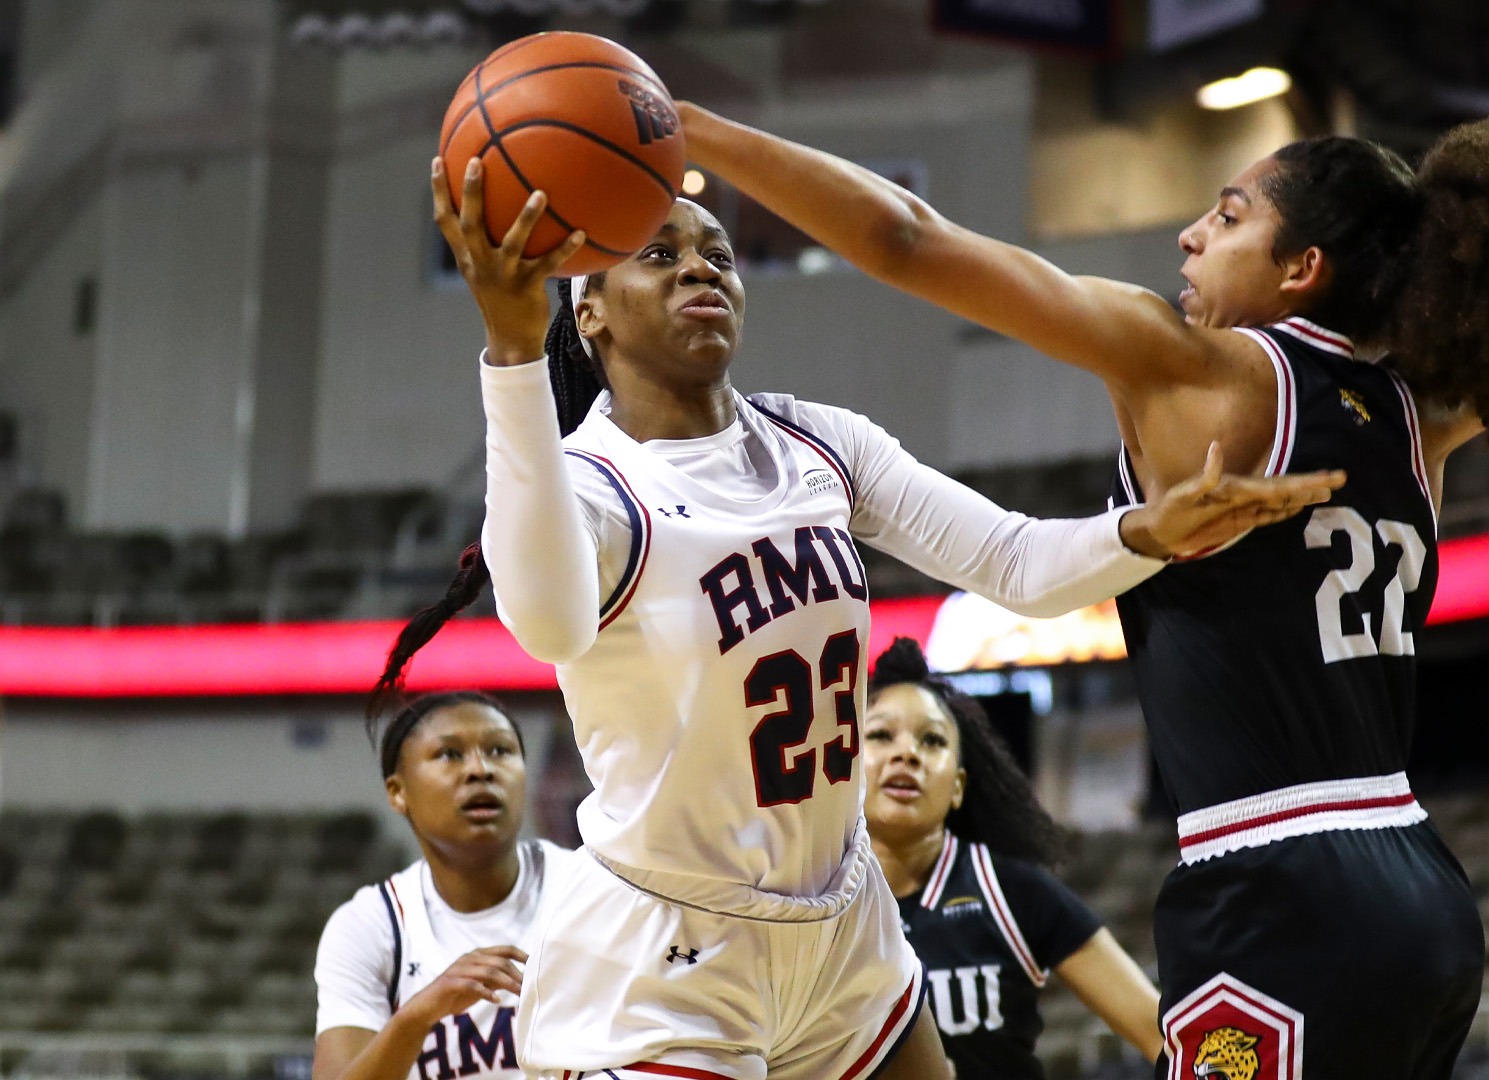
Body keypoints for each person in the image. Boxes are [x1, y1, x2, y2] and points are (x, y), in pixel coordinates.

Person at [673, 3, 1489, 1075]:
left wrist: (698, 131)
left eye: (1231, 213)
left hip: (1278, 889)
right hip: (1421, 894)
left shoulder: (1201, 372)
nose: (1193, 234)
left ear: (1303, 271)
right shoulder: (1420, 412)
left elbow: (906, 238)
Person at [381, 162, 1344, 1080]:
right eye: (661, 255)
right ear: (587, 309)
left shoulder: (820, 442)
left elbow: (1012, 562)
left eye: (717, 253)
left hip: (842, 921)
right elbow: (546, 625)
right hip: (671, 943)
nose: (700, 269)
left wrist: (1144, 530)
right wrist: (511, 356)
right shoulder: (590, 486)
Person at [863, 637, 1161, 1079]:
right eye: (880, 735)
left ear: (959, 786)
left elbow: (1163, 1036)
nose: (906, 753)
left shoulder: (1011, 892)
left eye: (932, 740)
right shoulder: (811, 903)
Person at [314, 692, 568, 1080]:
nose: (480, 769)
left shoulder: (586, 886)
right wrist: (419, 1013)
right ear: (398, 792)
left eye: (500, 750)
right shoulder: (370, 925)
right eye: (450, 754)